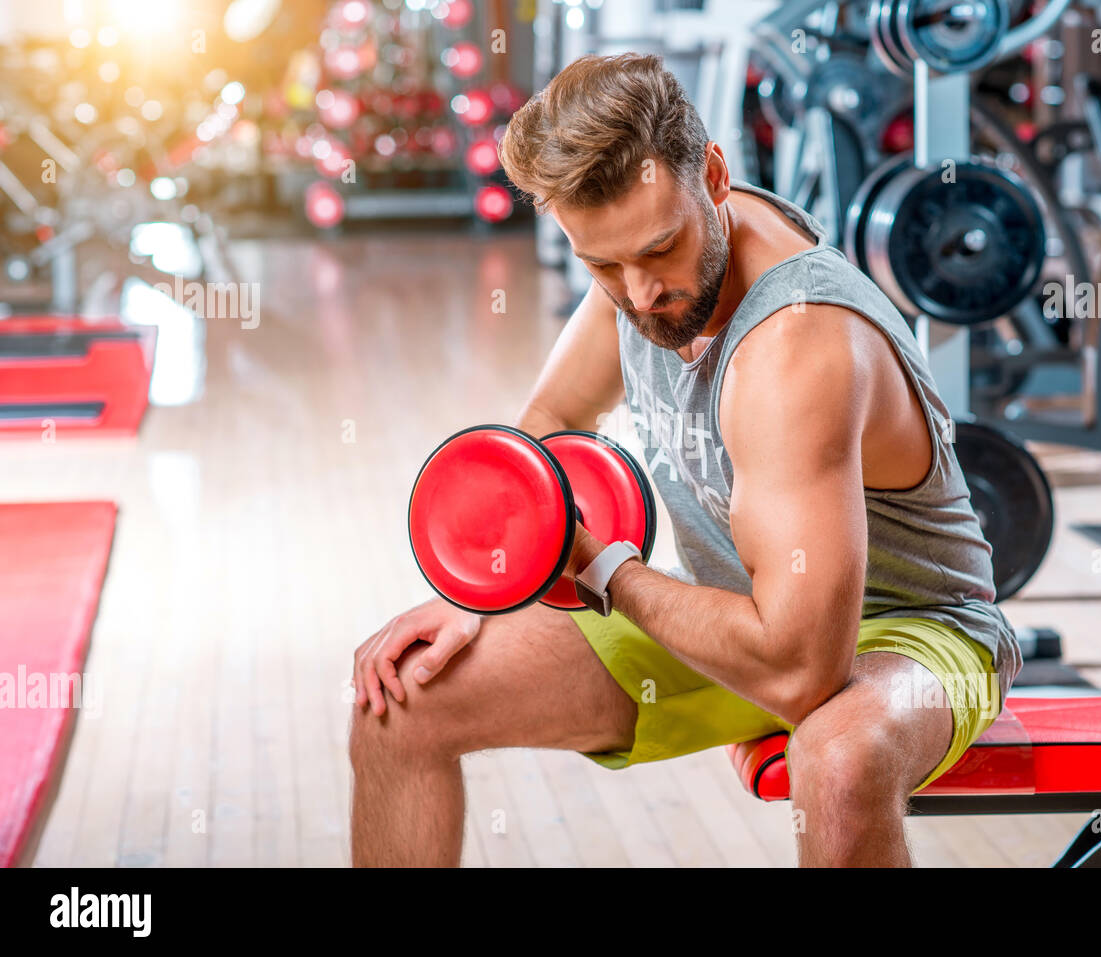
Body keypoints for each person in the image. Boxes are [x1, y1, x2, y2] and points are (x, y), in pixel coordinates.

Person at [350, 52, 1021, 867]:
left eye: (659, 249)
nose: (638, 294)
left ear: (712, 173)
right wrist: (488, 593)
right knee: (403, 701)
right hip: (741, 611)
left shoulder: (796, 344)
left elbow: (805, 671)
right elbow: (556, 417)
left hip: (911, 634)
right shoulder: (638, 266)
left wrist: (606, 571)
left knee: (841, 759)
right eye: (602, 264)